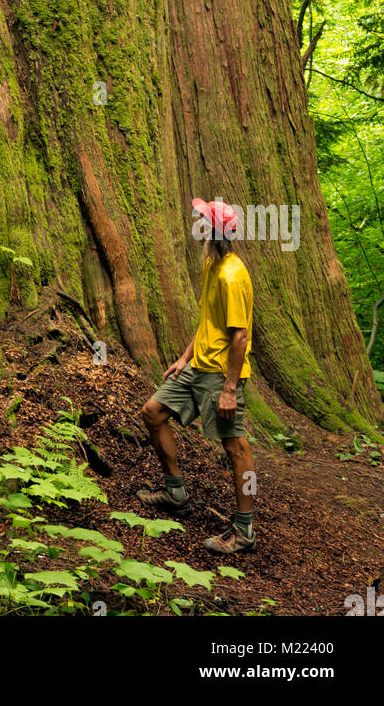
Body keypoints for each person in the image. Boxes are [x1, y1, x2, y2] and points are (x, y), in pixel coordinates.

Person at [136, 197, 257, 553]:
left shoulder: (233, 275)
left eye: (201, 220)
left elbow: (240, 336)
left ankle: (244, 529)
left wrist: (230, 389)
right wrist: (185, 357)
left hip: (222, 374)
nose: (195, 224)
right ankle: (175, 494)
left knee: (236, 446)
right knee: (152, 413)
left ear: (214, 231)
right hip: (196, 367)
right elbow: (208, 320)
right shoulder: (210, 266)